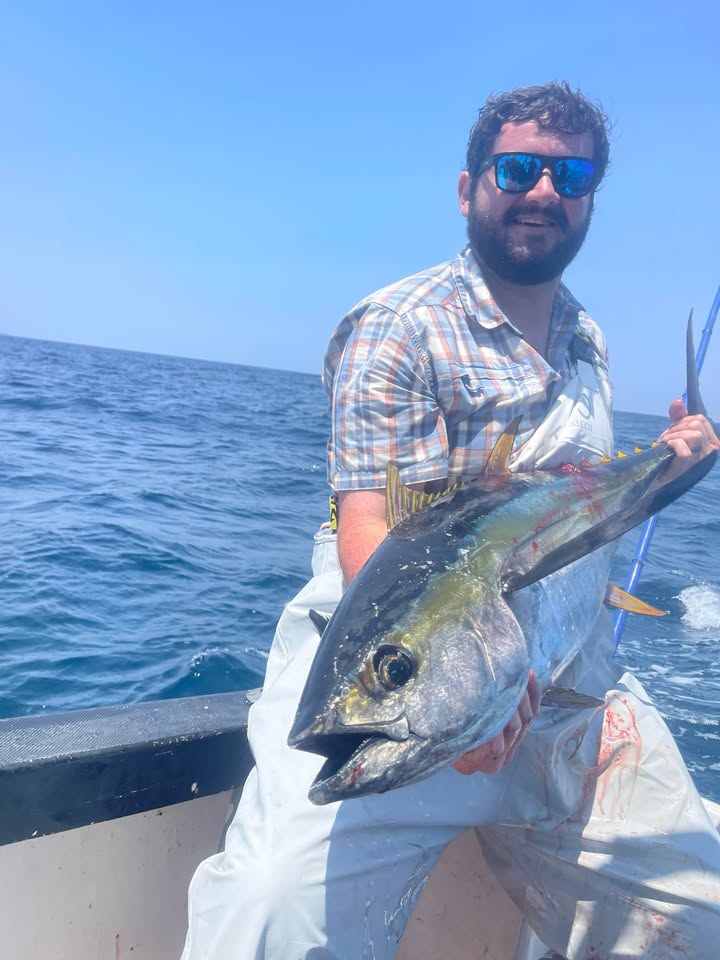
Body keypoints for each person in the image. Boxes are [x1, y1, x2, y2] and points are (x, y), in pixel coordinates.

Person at [183, 82, 720, 960]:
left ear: (589, 200)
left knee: (697, 922)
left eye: (570, 174)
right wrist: (447, 691)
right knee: (268, 911)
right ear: (468, 186)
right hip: (430, 674)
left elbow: (578, 519)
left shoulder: (589, 341)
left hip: (570, 692)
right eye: (517, 168)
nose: (543, 190)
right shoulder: (401, 327)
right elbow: (374, 529)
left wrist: (676, 463)